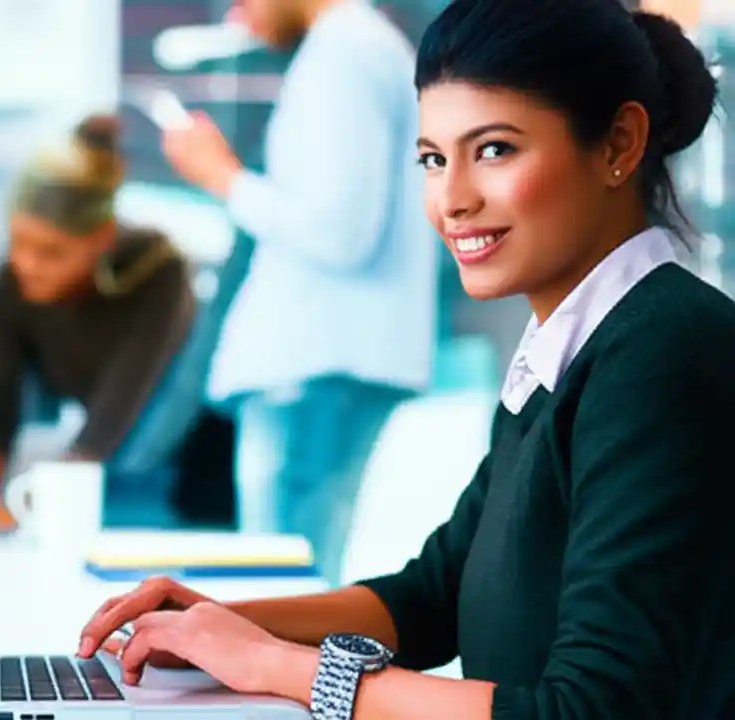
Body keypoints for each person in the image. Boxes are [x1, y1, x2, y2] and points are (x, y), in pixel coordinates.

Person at [75, 1, 735, 717]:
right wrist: (227, 622)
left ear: (617, 145)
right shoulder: (570, 352)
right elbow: (433, 596)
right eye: (432, 159)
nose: (451, 199)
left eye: (494, 150)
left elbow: (590, 710)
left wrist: (276, 666)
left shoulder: (664, 354)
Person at [158, 0, 437, 585]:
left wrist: (221, 177)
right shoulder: (358, 49)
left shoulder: (345, 52)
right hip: (326, 366)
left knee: (281, 603)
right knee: (295, 595)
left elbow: (339, 235)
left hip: (315, 368)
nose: (237, 14)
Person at [0, 115, 194, 530]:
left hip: (184, 470)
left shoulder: (157, 270)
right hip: (105, 466)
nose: (29, 265)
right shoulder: (12, 278)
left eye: (52, 252)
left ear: (103, 237)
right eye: (18, 243)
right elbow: (0, 406)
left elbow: (114, 411)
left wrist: (42, 507)